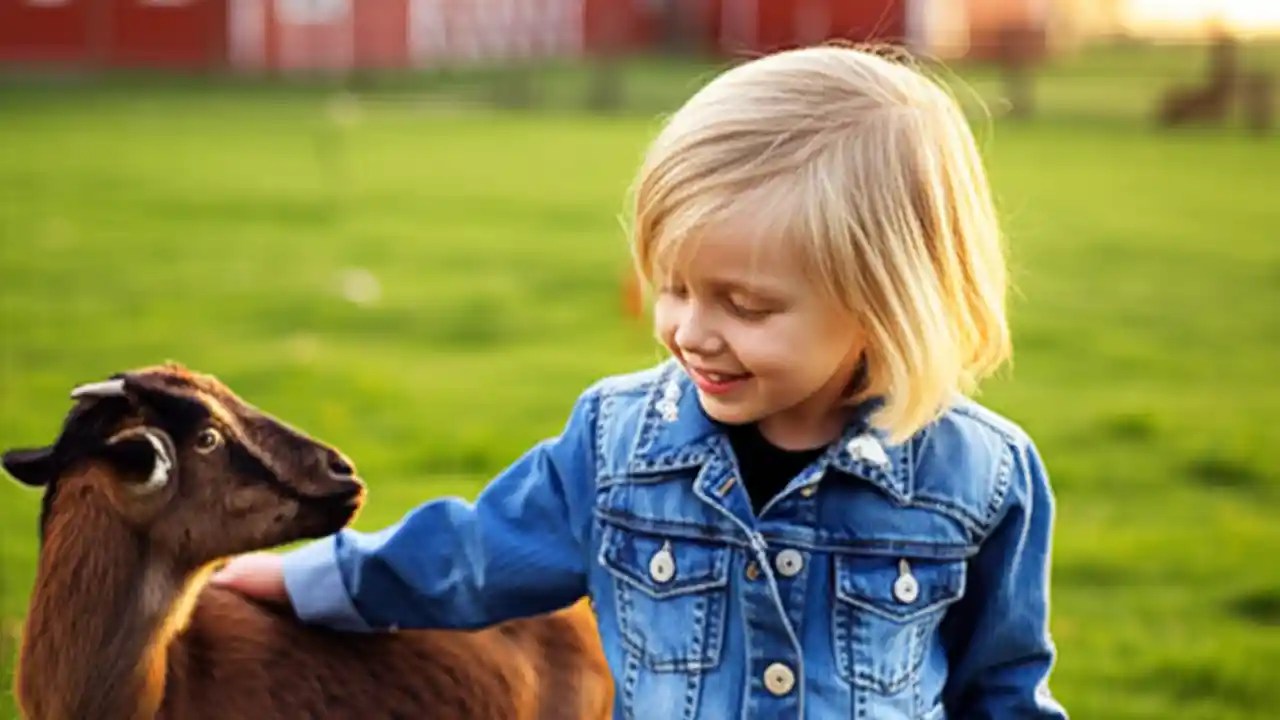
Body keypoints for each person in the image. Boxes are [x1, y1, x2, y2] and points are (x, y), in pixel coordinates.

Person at [214, 44, 1068, 718]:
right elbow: (471, 556)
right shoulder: (619, 445)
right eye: (675, 287)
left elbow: (1002, 689)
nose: (692, 333)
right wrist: (312, 579)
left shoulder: (983, 478)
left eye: (745, 306)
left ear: (885, 305)